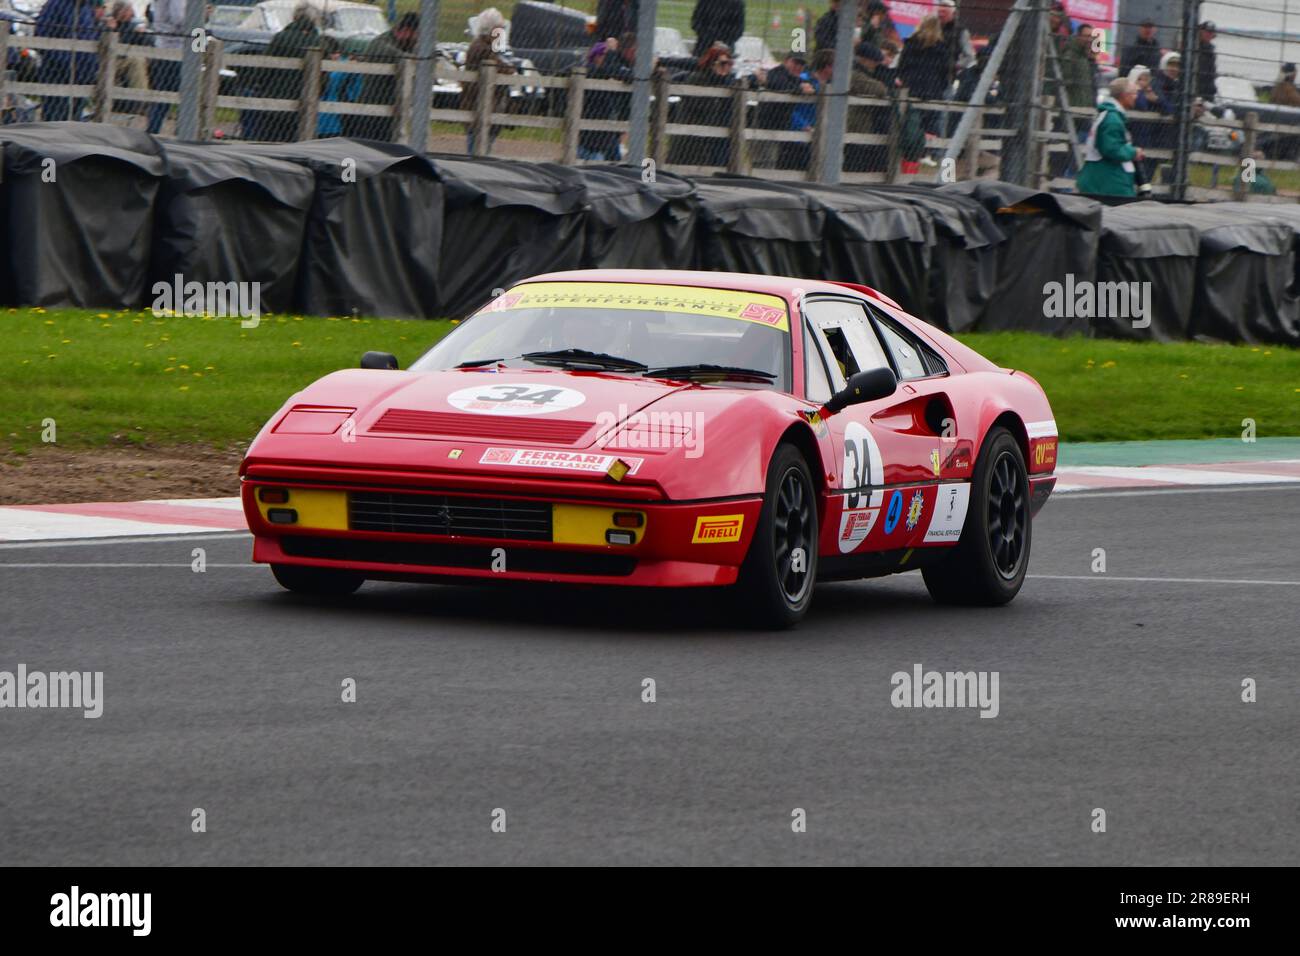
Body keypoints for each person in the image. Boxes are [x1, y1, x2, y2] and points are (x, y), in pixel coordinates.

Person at [244, 3, 323, 142]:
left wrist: (257, 83)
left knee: (270, 138)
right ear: (314, 20)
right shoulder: (318, 41)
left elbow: (265, 66)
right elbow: (323, 75)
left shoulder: (281, 37)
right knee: (298, 139)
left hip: (274, 95)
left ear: (295, 17)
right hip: (305, 98)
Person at [667, 43, 737, 168]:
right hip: (692, 138)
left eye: (729, 64)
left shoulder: (726, 82)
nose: (726, 68)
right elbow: (704, 108)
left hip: (713, 141)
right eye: (722, 64)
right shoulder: (697, 79)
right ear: (712, 64)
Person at [35, 0, 101, 122]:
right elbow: (41, 33)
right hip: (57, 70)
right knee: (55, 114)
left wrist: (92, 66)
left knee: (75, 115)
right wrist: (61, 59)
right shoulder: (56, 5)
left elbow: (92, 37)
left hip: (82, 72)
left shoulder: (86, 8)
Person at [460, 8, 514, 153]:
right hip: (479, 107)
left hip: (484, 107)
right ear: (491, 29)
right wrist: (509, 68)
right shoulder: (481, 48)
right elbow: (504, 68)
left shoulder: (485, 46)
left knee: (481, 149)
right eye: (499, 29)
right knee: (477, 152)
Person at [1077, 77, 1142, 196]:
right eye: (1134, 93)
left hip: (1103, 180)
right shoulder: (1112, 119)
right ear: (1124, 95)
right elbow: (1112, 149)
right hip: (1107, 183)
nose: (1136, 97)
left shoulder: (1110, 115)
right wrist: (1133, 152)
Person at [361, 11, 419, 142]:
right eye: (416, 35)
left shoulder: (406, 46)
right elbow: (388, 53)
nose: (417, 41)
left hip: (391, 115)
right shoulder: (381, 43)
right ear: (406, 30)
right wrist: (414, 60)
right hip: (370, 115)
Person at [845, 42, 891, 173]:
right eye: (874, 61)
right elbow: (877, 89)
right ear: (864, 59)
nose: (876, 65)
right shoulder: (854, 74)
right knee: (854, 165)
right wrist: (884, 85)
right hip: (856, 126)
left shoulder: (864, 73)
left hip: (862, 126)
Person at [148, 0, 184, 133]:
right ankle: (182, 133)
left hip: (165, 46)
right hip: (176, 49)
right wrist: (202, 16)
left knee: (162, 98)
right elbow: (179, 18)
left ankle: (153, 131)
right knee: (187, 95)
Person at [1196, 20, 1217, 101]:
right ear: (1201, 32)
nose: (1209, 34)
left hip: (1208, 91)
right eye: (1207, 32)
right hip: (1198, 89)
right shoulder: (1195, 48)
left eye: (1211, 32)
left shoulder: (1210, 49)